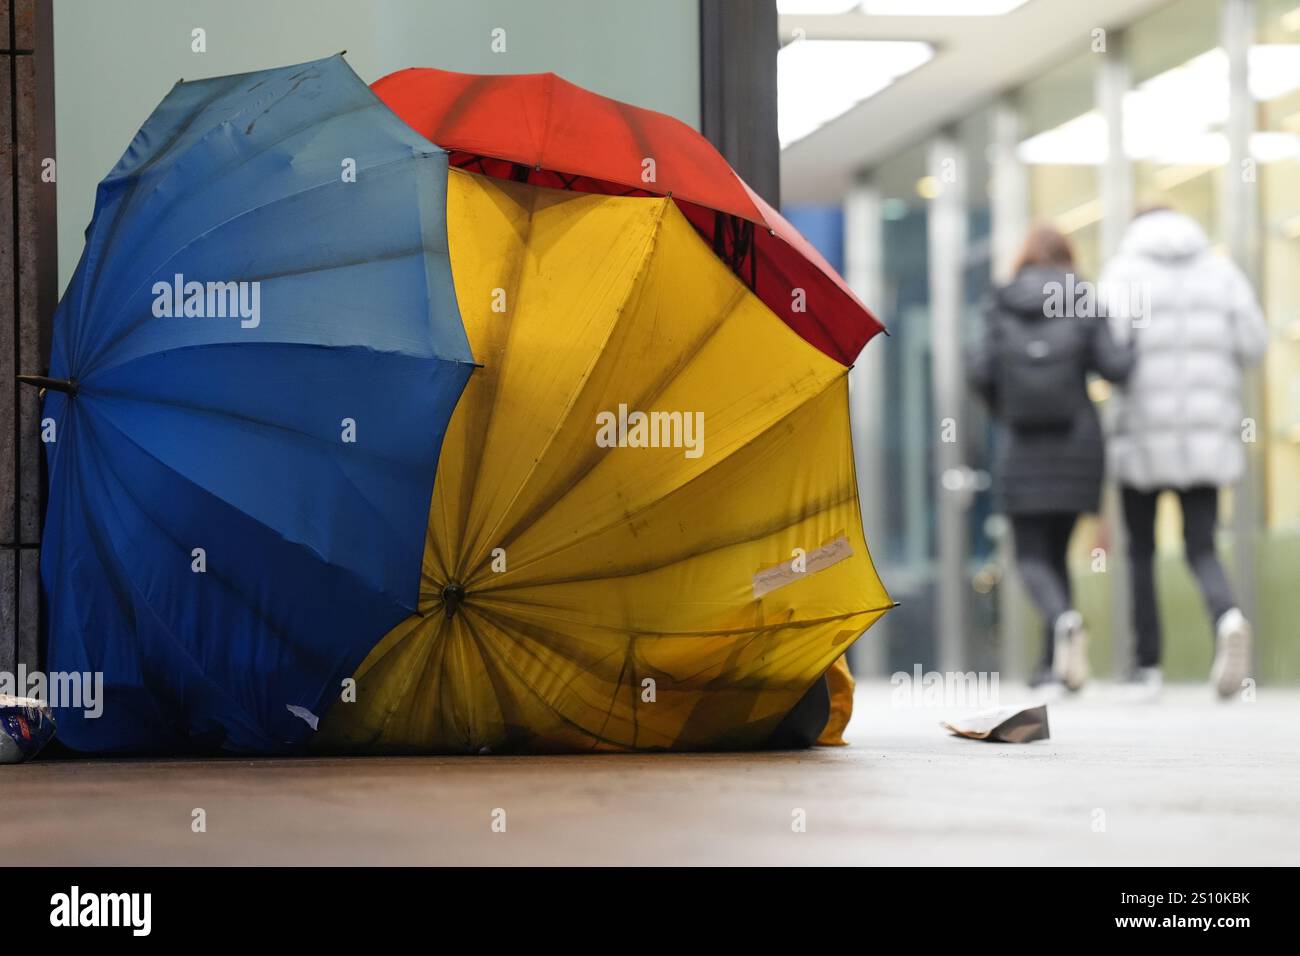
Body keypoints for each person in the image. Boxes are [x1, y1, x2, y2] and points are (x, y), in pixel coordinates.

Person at [1100, 206, 1268, 701]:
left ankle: (1147, 667)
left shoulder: (1123, 272)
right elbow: (1254, 342)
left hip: (1140, 435)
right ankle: (1228, 616)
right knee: (1201, 544)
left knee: (1142, 551)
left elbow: (1110, 352)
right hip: (1205, 438)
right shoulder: (1220, 272)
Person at [969, 225, 1133, 692]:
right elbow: (1115, 367)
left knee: (1029, 556)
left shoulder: (1000, 302)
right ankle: (1055, 661)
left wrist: (1008, 409)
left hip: (1021, 442)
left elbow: (979, 370)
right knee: (1055, 552)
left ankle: (1061, 627)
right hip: (1077, 441)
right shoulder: (1081, 297)